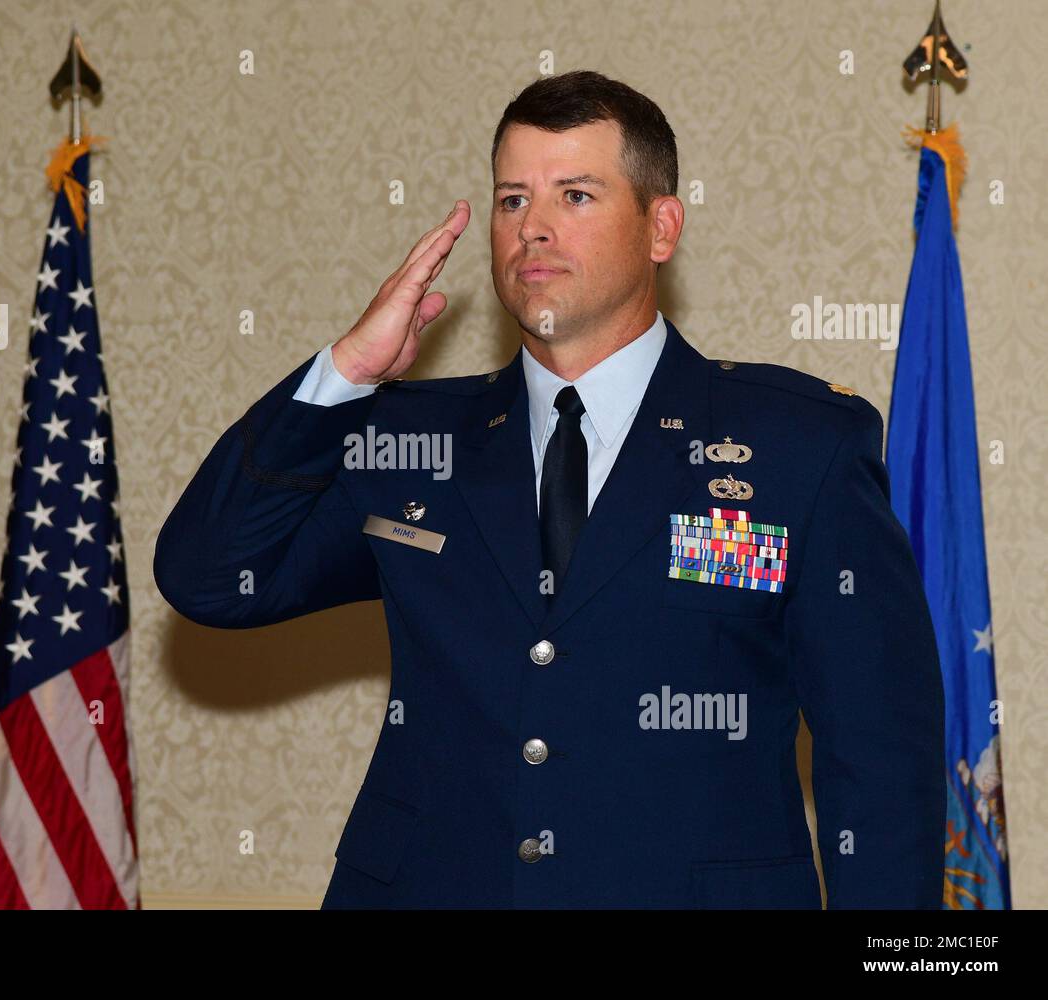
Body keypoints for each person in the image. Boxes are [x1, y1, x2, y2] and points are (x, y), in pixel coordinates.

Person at [154, 70, 946, 908]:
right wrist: (343, 375)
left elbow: (880, 754)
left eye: (574, 195)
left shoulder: (799, 447)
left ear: (661, 226)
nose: (533, 227)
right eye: (510, 200)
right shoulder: (413, 443)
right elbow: (210, 578)